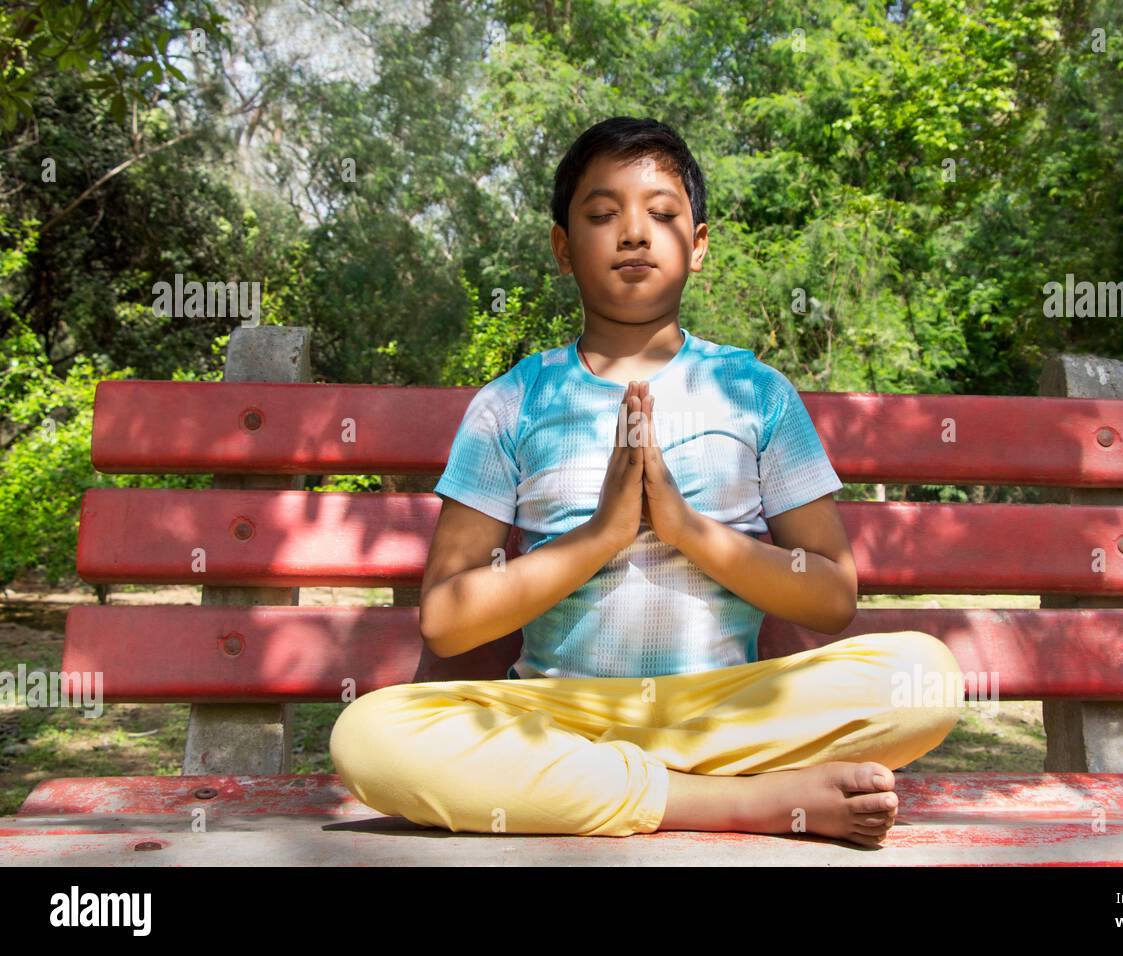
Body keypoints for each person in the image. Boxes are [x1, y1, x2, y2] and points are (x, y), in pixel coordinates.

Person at [329, 116, 964, 847]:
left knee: (927, 674)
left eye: (662, 214)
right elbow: (445, 617)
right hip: (556, 718)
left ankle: (624, 787)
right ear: (563, 249)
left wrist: (685, 528)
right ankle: (736, 804)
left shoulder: (755, 392)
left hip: (726, 714)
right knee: (370, 734)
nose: (634, 233)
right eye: (603, 215)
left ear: (697, 246)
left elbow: (831, 597)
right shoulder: (513, 402)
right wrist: (602, 534)